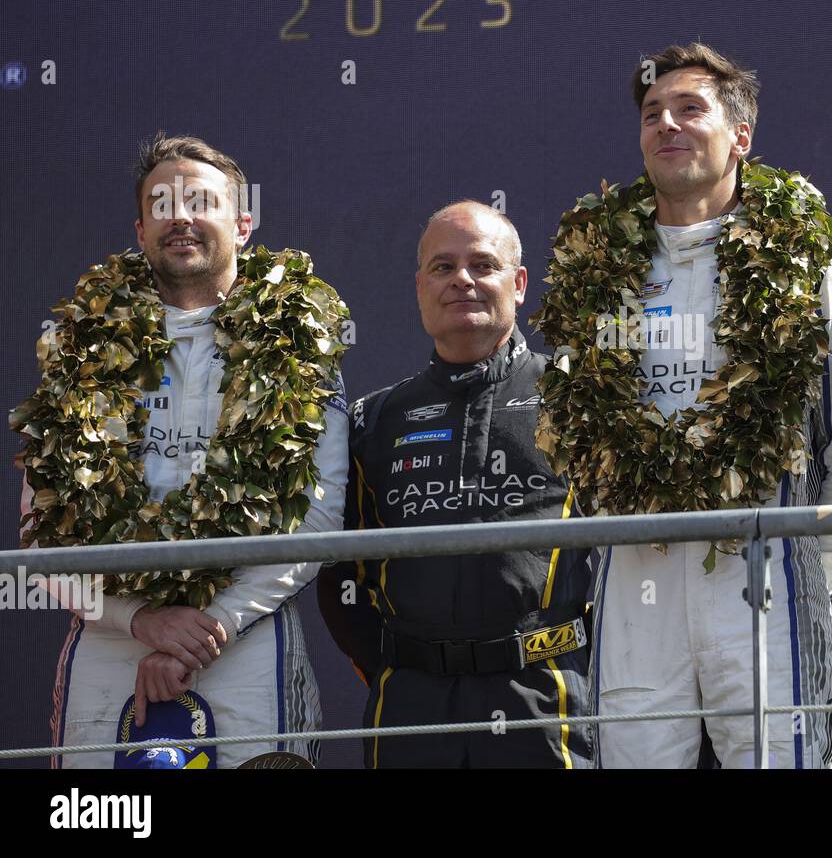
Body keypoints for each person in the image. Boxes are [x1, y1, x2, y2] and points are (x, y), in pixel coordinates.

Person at [537, 43, 832, 768]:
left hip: (763, 577)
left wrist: (814, 571)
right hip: (636, 579)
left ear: (741, 137)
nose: (667, 124)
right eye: (653, 113)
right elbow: (574, 431)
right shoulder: (593, 266)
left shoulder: (816, 261)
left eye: (690, 108)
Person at [15, 133, 348, 768]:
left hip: (246, 639)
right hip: (110, 641)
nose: (182, 216)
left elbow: (320, 521)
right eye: (162, 204)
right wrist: (142, 622)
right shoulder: (78, 352)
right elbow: (39, 540)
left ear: (243, 224)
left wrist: (211, 626)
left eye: (201, 200)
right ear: (140, 231)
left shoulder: (301, 345)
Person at [317, 201, 593, 769]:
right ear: (420, 288)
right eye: (442, 267)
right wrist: (408, 663)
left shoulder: (581, 397)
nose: (462, 279)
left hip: (545, 699)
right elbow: (340, 576)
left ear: (518, 285)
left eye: (482, 264)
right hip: (410, 705)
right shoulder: (373, 420)